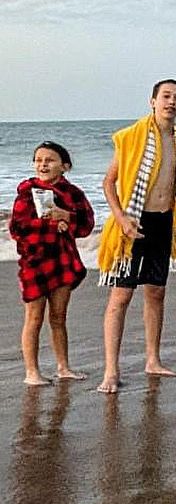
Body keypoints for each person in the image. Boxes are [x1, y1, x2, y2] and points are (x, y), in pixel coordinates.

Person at [97, 79, 176, 393]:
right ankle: (111, 370)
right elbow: (108, 183)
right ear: (152, 100)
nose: (171, 102)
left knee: (155, 293)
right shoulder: (131, 138)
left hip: (163, 223)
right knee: (121, 297)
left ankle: (153, 360)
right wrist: (121, 217)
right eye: (166, 96)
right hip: (132, 224)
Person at [9, 141, 95, 385]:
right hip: (35, 261)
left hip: (63, 260)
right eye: (38, 160)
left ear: (64, 166)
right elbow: (18, 227)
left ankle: (63, 367)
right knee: (34, 317)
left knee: (58, 316)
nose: (43, 164)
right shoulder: (26, 191)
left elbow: (86, 225)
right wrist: (51, 224)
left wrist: (67, 216)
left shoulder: (74, 194)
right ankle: (31, 372)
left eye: (49, 160)